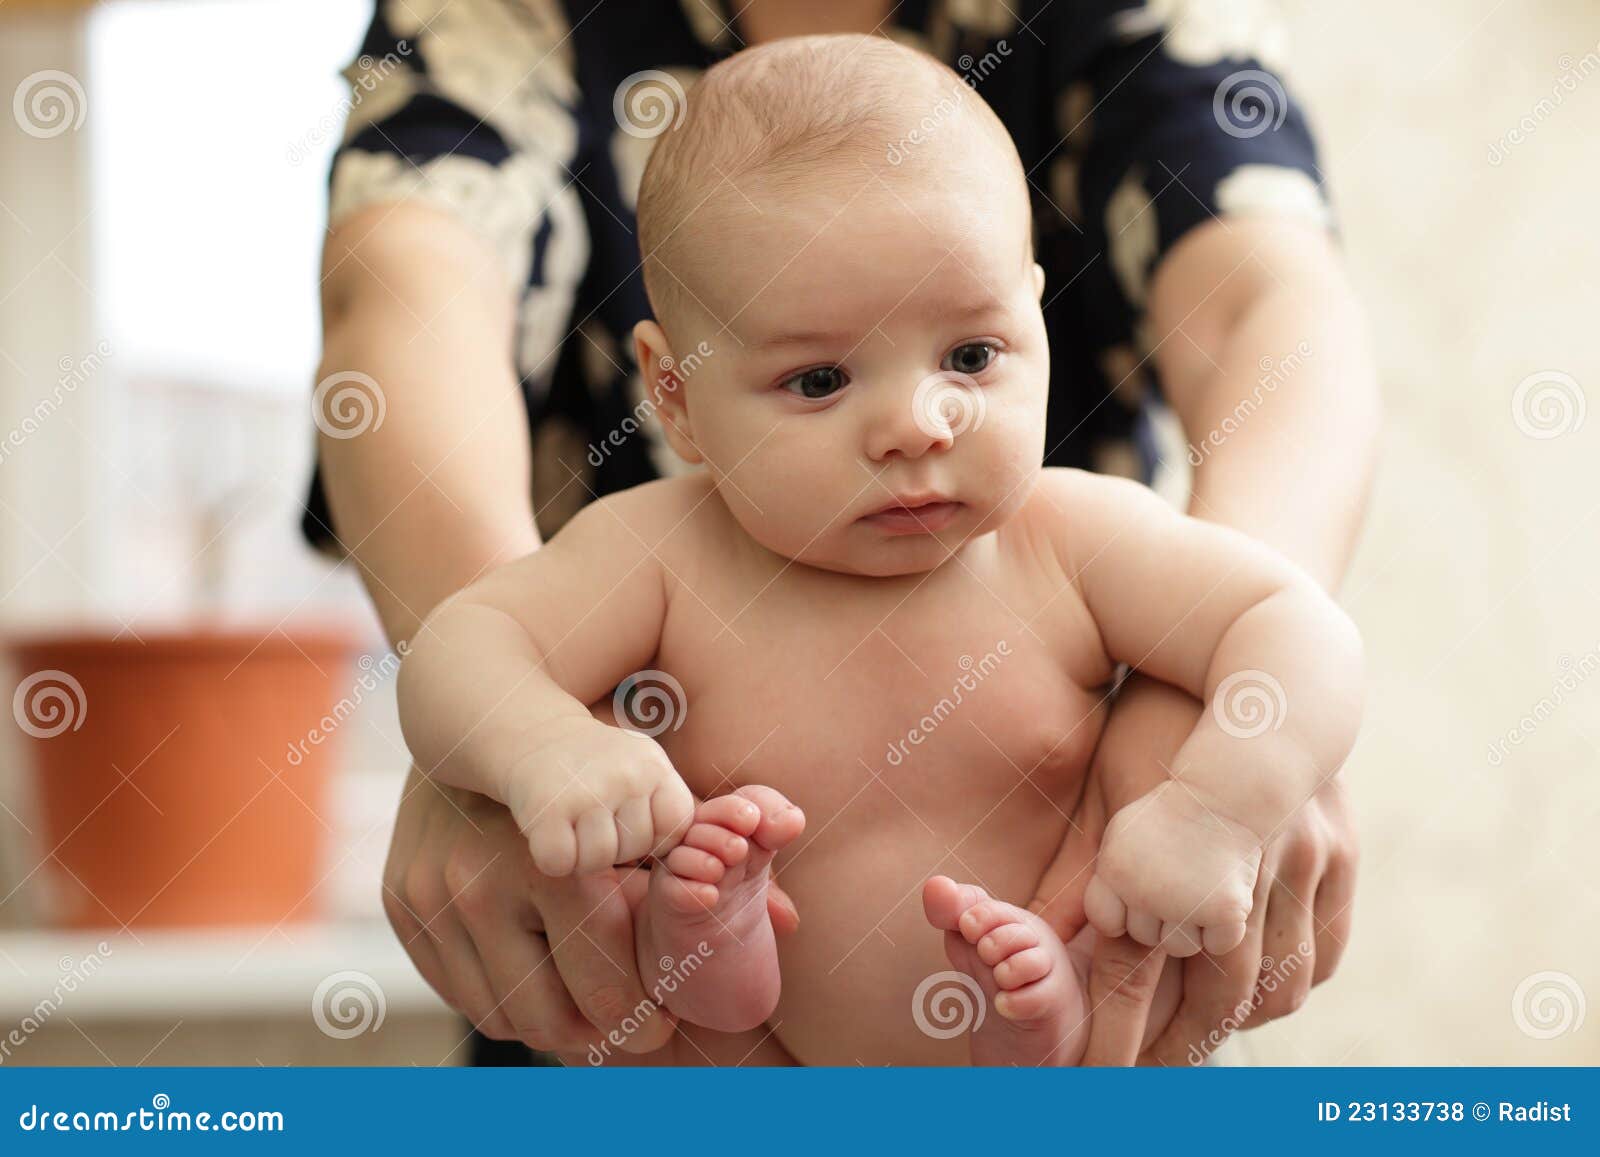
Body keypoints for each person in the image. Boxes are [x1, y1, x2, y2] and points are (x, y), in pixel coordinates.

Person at [304, 0, 1378, 1066]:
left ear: (1036, 317)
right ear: (672, 396)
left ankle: (1028, 1015)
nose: (918, 424)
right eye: (819, 379)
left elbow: (1296, 629)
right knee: (695, 923)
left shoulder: (1071, 538)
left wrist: (1219, 798)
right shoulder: (660, 553)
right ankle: (718, 946)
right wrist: (538, 752)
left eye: (971, 355)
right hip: (694, 1064)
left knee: (1062, 1003)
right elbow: (460, 647)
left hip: (1074, 1069)